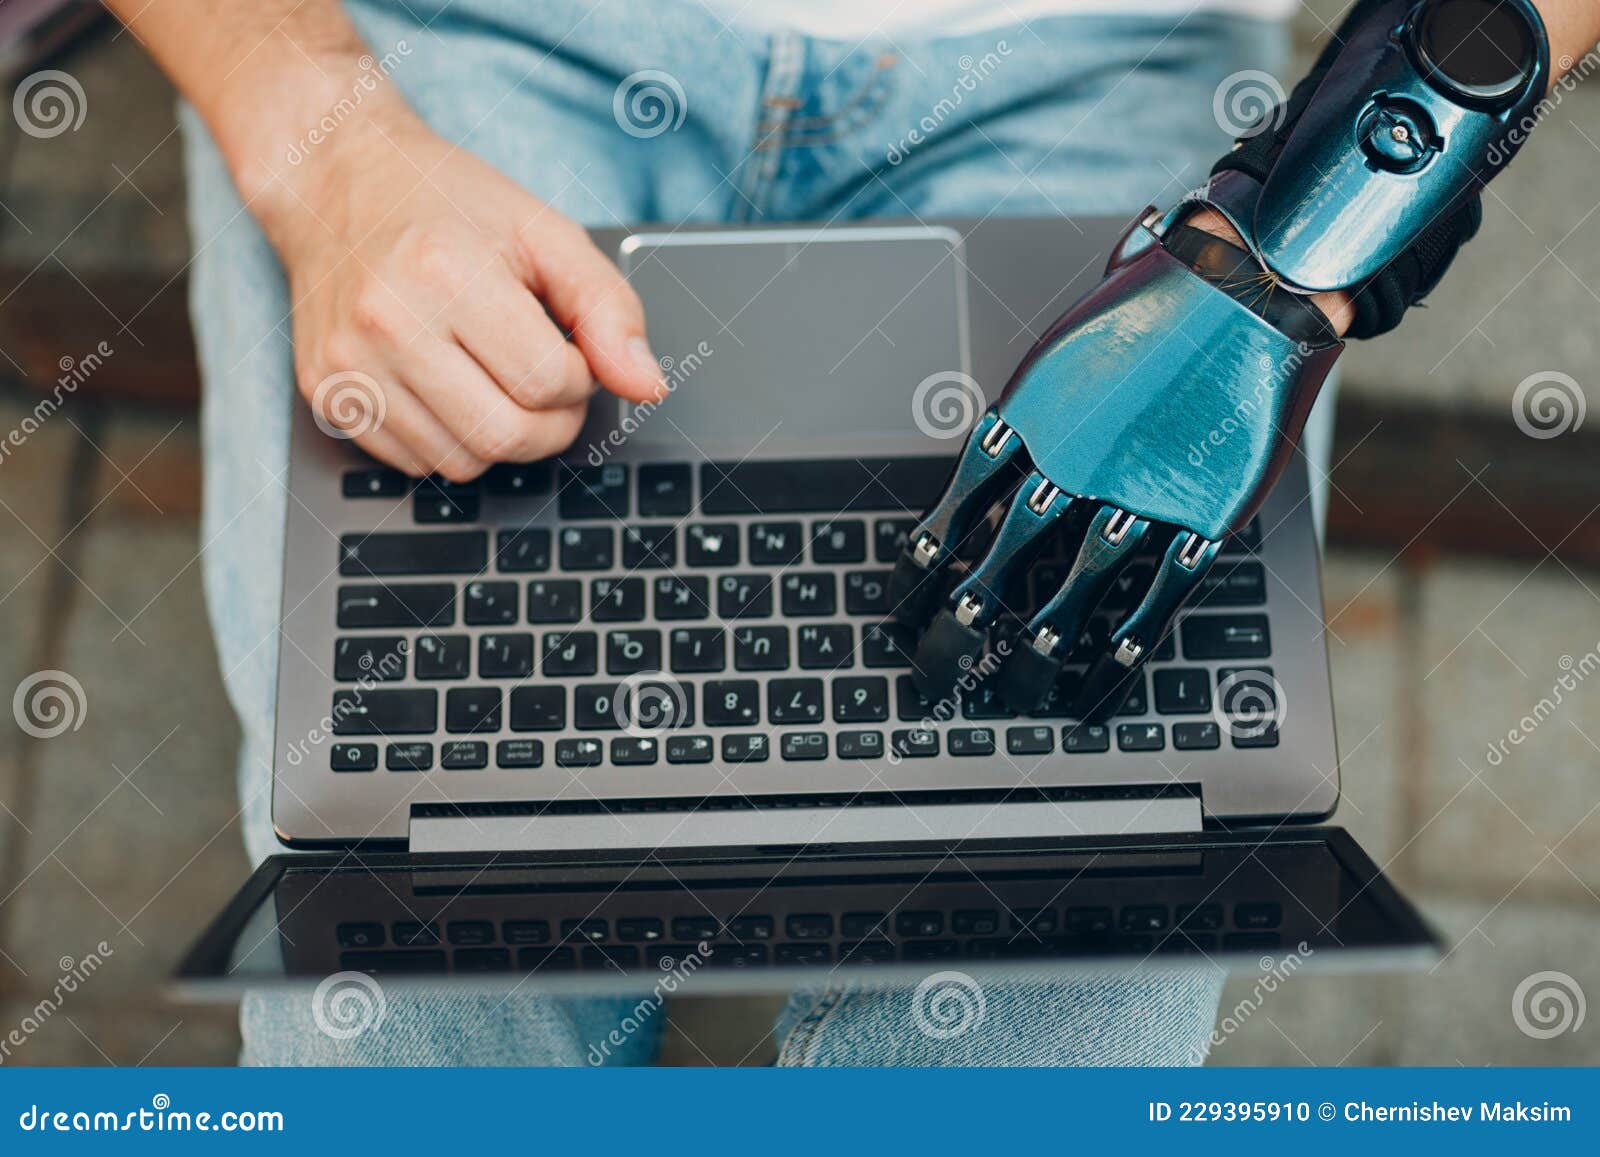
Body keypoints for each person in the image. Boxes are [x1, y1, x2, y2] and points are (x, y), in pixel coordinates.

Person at [106, 0, 1600, 1065]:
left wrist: (1296, 247)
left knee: (1072, 973)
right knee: (413, 975)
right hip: (452, 41)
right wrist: (316, 140)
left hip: (1111, 59)